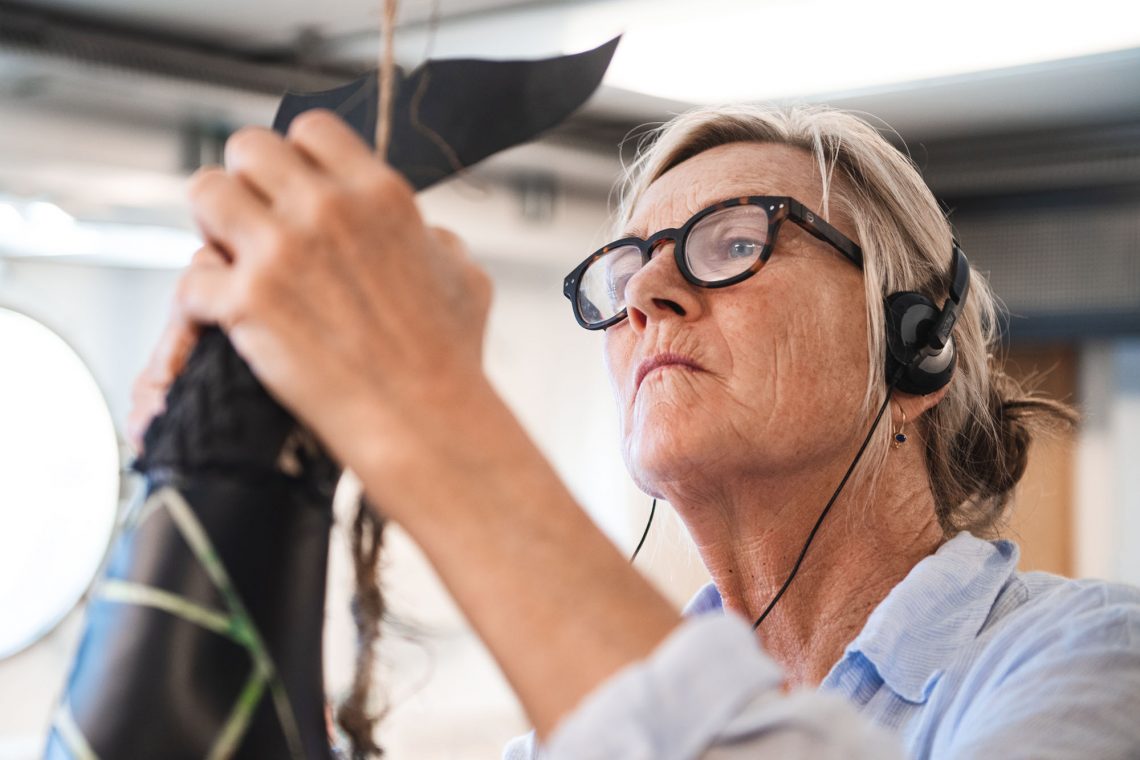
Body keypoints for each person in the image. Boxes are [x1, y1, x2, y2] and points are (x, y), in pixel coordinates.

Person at [129, 104, 1140, 758]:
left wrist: (424, 411)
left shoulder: (1087, 661)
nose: (650, 290)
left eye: (734, 242)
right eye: (625, 271)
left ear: (914, 350)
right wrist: (207, 502)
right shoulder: (563, 742)